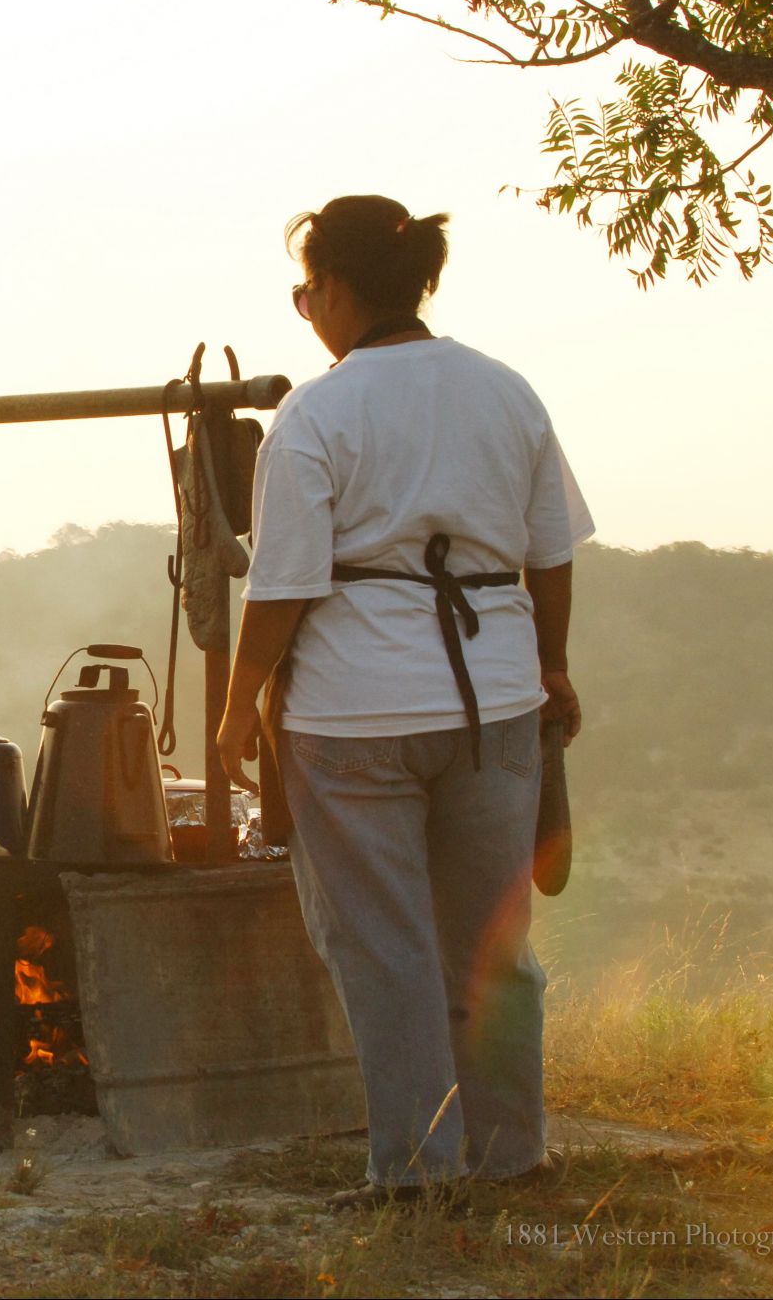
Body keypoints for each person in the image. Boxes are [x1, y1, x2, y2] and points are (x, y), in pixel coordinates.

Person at [216, 195, 591, 1210]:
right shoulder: (502, 391)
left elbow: (283, 584)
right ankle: (511, 1154)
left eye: (304, 291)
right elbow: (547, 550)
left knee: (384, 948)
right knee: (491, 944)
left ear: (335, 289)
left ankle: (416, 1172)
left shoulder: (316, 412)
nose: (303, 308)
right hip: (493, 703)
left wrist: (237, 702)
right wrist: (548, 665)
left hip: (353, 718)